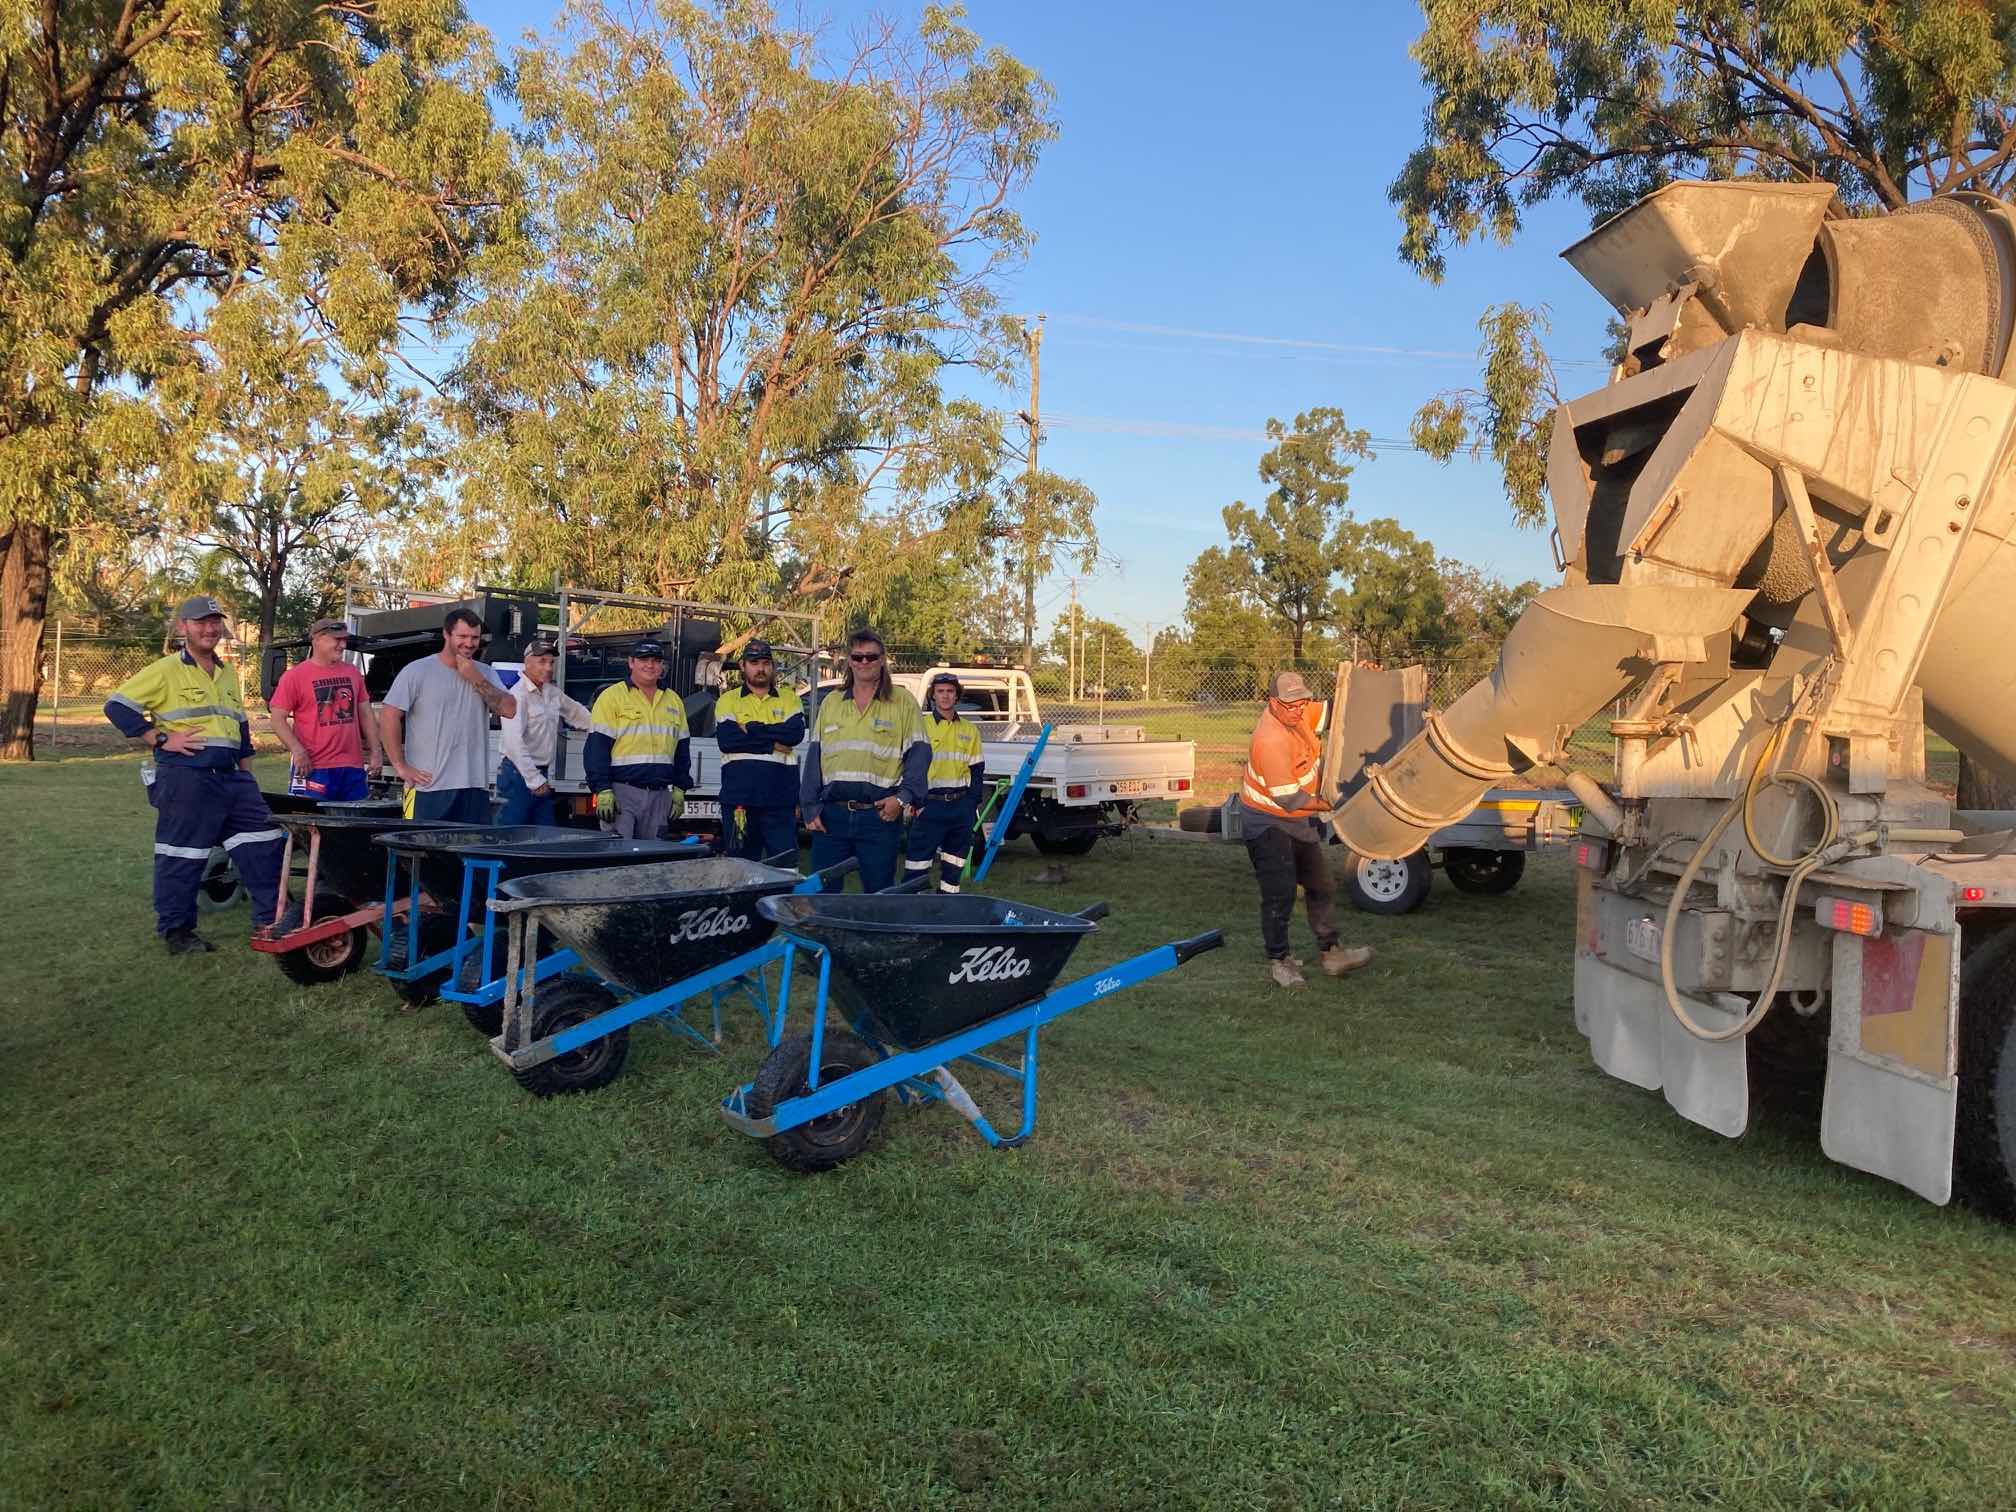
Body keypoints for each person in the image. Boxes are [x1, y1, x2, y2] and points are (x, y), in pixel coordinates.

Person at [103, 595, 287, 954]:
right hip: (187, 778)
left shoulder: (227, 671)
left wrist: (247, 776)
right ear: (183, 627)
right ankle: (177, 932)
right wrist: (159, 738)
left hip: (234, 780)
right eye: (201, 621)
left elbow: (240, 727)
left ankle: (271, 920)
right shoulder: (167, 668)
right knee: (182, 854)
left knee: (263, 843)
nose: (210, 628)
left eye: (215, 621)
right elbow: (117, 706)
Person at [1241, 671, 1374, 989]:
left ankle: (1332, 953)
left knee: (1322, 885)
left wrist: (1363, 681)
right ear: (1273, 703)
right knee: (1281, 893)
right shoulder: (1269, 740)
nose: (1298, 709)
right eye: (1290, 704)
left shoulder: (1301, 712)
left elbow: (1338, 709)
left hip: (1296, 818)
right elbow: (1290, 800)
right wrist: (1331, 804)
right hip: (1268, 821)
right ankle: (1280, 961)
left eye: (1302, 701)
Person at [801, 628, 927, 891]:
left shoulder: (902, 702)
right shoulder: (832, 702)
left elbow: (920, 755)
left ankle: (877, 934)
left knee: (879, 896)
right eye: (858, 657)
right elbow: (815, 758)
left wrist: (902, 799)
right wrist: (810, 807)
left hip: (879, 818)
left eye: (871, 657)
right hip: (831, 817)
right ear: (850, 661)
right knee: (822, 896)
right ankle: (825, 934)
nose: (864, 663)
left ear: (882, 660)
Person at [379, 606, 517, 824]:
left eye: (475, 637)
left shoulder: (485, 672)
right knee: (421, 852)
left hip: (474, 787)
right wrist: (400, 765)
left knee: (468, 855)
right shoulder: (417, 671)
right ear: (446, 634)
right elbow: (389, 716)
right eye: (462, 636)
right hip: (428, 787)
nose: (469, 643)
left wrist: (474, 677)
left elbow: (509, 709)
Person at [584, 639, 691, 839]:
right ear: (631, 662)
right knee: (619, 857)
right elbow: (596, 748)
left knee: (652, 860)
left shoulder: (674, 700)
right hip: (622, 794)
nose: (650, 665)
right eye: (643, 660)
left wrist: (679, 788)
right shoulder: (611, 697)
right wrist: (602, 789)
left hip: (660, 796)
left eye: (656, 660)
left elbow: (682, 750)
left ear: (662, 666)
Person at [267, 617, 381, 802]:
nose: (342, 645)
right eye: (337, 640)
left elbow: (365, 713)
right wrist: (298, 750)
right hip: (313, 768)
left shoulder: (352, 673)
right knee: (311, 826)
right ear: (317, 639)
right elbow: (277, 719)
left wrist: (376, 751)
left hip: (352, 767)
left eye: (344, 640)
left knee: (351, 825)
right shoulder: (295, 676)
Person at [713, 638, 805, 862]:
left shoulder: (790, 699)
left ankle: (780, 900)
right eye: (754, 663)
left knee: (785, 868)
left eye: (765, 662)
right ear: (743, 666)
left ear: (772, 666)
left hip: (780, 802)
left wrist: (750, 728)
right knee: (740, 870)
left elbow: (793, 735)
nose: (760, 668)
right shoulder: (728, 700)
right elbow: (727, 740)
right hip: (740, 803)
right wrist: (772, 743)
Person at [497, 636, 593, 826]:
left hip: (539, 773)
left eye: (551, 662)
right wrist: (534, 779)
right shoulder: (517, 695)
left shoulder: (551, 692)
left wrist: (609, 729)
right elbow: (513, 742)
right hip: (517, 775)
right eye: (542, 661)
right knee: (509, 836)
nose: (549, 668)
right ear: (527, 662)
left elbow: (577, 714)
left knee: (543, 836)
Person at [904, 671, 985, 893]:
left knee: (954, 865)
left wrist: (971, 805)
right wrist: (915, 802)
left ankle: (947, 907)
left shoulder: (970, 730)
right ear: (933, 696)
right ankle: (911, 908)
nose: (945, 696)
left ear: (956, 696)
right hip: (929, 805)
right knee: (917, 864)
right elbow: (910, 766)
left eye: (950, 691)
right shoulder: (921, 726)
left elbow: (977, 770)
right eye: (940, 692)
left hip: (960, 806)